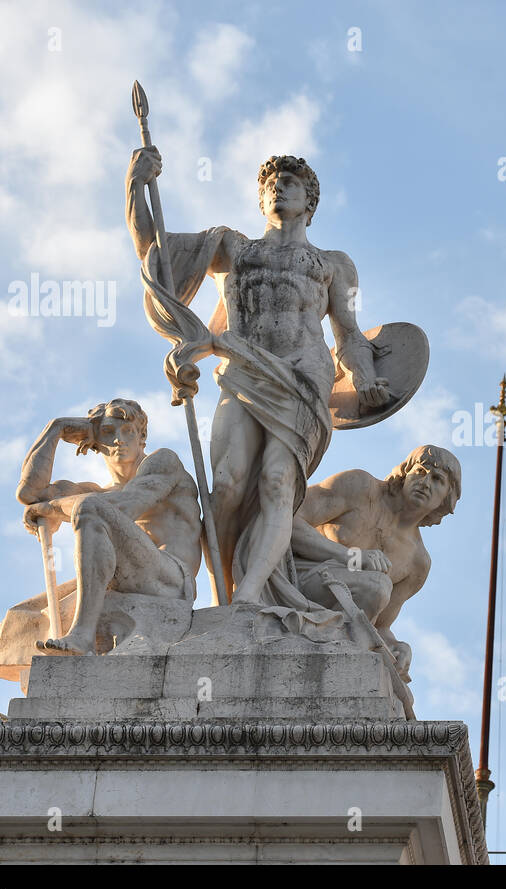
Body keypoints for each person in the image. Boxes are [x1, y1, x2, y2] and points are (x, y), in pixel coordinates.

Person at [126, 148, 390, 606]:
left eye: (289, 182)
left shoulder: (333, 264)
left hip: (305, 378)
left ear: (310, 200)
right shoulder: (231, 248)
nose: (277, 187)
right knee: (227, 484)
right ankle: (227, 593)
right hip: (243, 370)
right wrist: (136, 185)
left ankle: (249, 596)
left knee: (275, 483)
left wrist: (363, 378)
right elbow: (156, 258)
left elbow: (348, 333)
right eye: (270, 184)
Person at [17, 399, 200, 654]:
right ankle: (82, 633)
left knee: (89, 507)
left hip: (172, 578)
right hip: (127, 577)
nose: (118, 440)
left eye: (128, 432)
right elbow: (30, 493)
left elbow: (124, 507)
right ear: (94, 441)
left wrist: (50, 509)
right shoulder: (98, 493)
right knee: (27, 614)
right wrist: (55, 429)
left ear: (142, 436)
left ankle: (82, 636)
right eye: (107, 432)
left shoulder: (163, 462)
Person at [286, 446, 462, 678]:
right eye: (420, 471)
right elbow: (285, 518)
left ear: (446, 498)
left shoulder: (418, 563)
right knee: (377, 585)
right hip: (295, 581)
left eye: (437, 479)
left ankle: (340, 667)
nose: (425, 482)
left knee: (377, 588)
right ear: (404, 473)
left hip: (344, 619)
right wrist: (351, 557)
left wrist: (398, 647)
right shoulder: (360, 487)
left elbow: (378, 624)